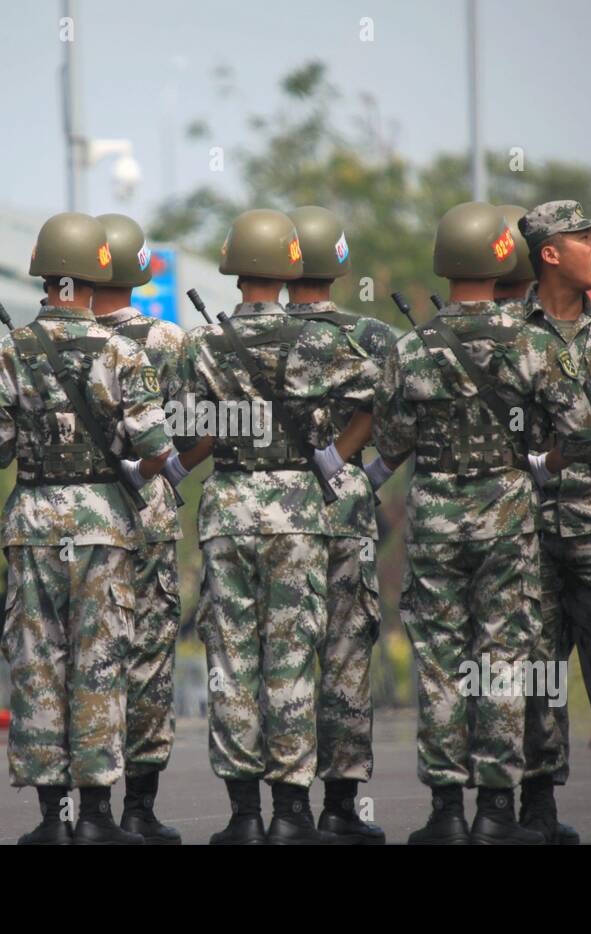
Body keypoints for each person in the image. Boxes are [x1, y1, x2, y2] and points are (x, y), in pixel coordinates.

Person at [371, 201, 591, 845]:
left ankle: (445, 810)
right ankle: (498, 809)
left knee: (440, 662)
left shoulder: (412, 347)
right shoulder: (532, 341)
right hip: (509, 518)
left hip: (437, 518)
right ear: (505, 258)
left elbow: (391, 439)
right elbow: (581, 428)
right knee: (502, 662)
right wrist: (537, 463)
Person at [0, 212, 174, 845]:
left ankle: (50, 821)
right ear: (96, 274)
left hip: (32, 523)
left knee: (37, 667)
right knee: (99, 663)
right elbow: (155, 448)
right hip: (102, 526)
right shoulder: (124, 351)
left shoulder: (10, 349)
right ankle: (95, 818)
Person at [177, 208, 373, 845]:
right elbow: (381, 394)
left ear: (234, 270)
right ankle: (292, 813)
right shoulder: (318, 341)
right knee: (293, 659)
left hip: (228, 507)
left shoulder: (204, 344)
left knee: (231, 662)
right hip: (296, 510)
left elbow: (187, 429)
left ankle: (244, 816)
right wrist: (335, 455)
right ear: (291, 267)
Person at [515, 200, 591, 844]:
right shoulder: (511, 331)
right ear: (549, 253)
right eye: (582, 237)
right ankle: (536, 809)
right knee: (535, 670)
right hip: (528, 528)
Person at [284, 205, 394, 844]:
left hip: (271, 512)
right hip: (345, 510)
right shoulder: (373, 337)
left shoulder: (250, 337)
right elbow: (395, 413)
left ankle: (284, 806)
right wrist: (353, 460)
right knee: (346, 658)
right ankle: (340, 806)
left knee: (281, 658)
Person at [88, 212, 187, 844]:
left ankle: (81, 810)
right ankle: (140, 809)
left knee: (84, 658)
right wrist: (167, 470)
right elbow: (186, 425)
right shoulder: (173, 341)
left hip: (77, 517)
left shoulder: (55, 338)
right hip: (148, 511)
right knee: (147, 660)